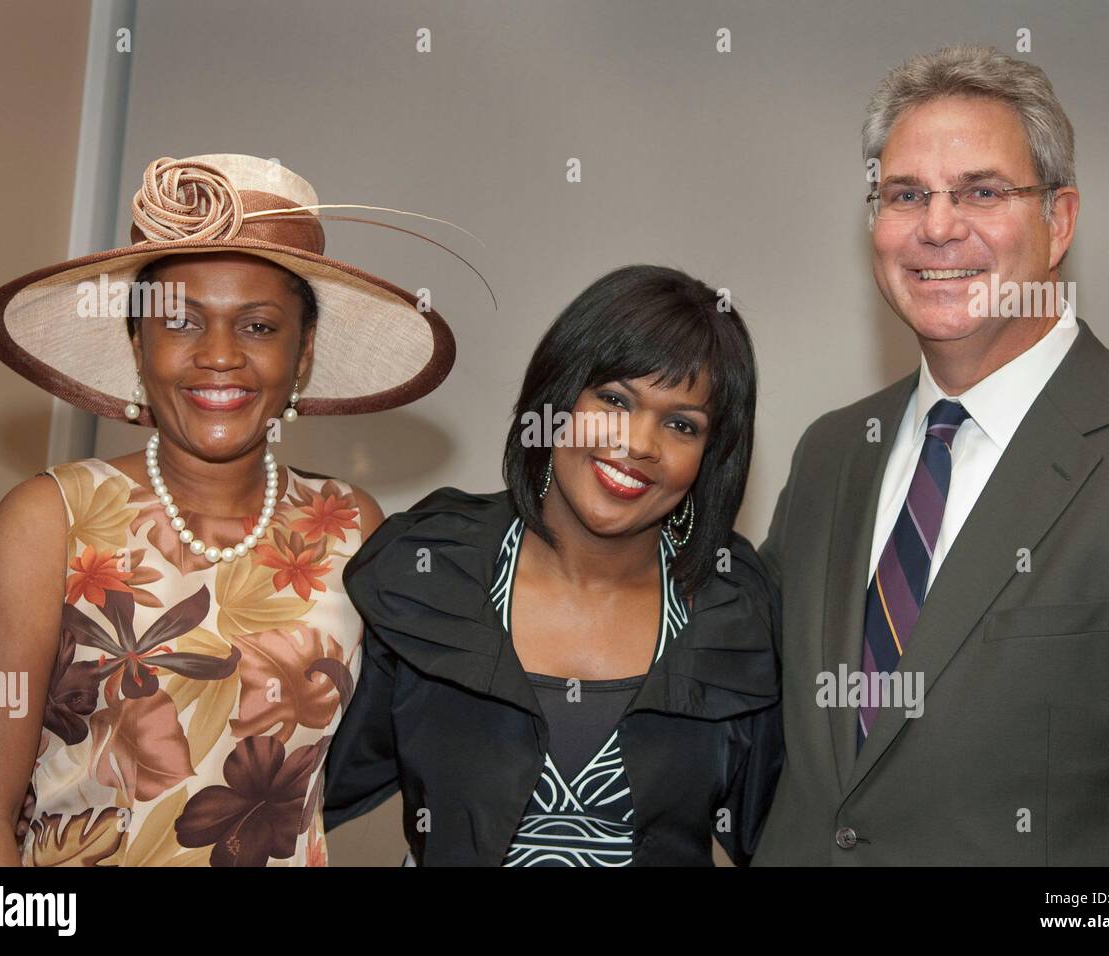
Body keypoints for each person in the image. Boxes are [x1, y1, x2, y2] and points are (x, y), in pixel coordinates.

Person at [754, 45, 1109, 865]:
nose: (938, 226)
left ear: (1060, 222)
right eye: (906, 194)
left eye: (982, 191)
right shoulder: (832, 452)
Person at [0, 153, 460, 866]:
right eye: (181, 322)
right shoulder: (47, 519)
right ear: (138, 346)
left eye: (258, 327)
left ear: (302, 353)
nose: (219, 356)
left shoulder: (349, 525)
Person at [323, 264, 782, 865]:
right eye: (615, 399)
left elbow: (786, 833)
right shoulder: (430, 570)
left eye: (680, 424)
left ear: (711, 454)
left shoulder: (735, 611)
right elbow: (295, 784)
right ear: (557, 397)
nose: (639, 444)